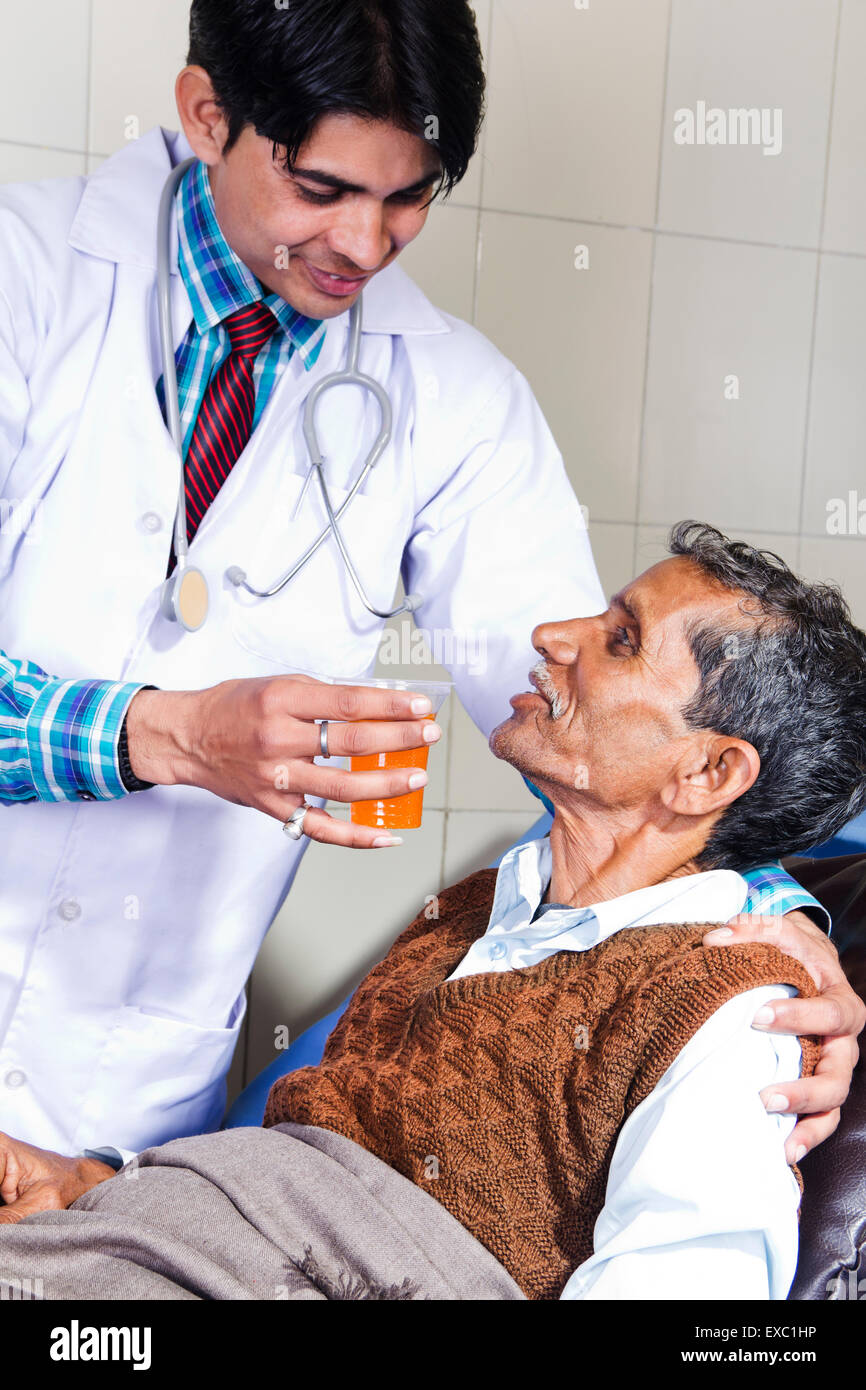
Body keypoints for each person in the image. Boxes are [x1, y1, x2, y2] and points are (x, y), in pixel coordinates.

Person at [0, 0, 854, 1166]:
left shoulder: (455, 401)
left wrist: (766, 919)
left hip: (120, 1094)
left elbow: (600, 730)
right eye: (321, 188)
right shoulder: (25, 280)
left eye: (408, 196)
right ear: (209, 114)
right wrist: (165, 735)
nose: (363, 243)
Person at [2, 523, 865, 1301]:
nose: (548, 635)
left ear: (709, 774)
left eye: (621, 640)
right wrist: (95, 1184)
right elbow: (307, 1160)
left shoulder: (729, 1015)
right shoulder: (469, 915)